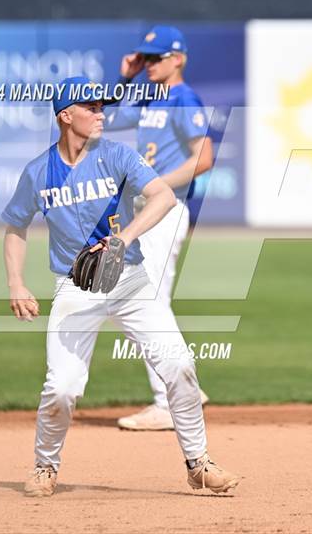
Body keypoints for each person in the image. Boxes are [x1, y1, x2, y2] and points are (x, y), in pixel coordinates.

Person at [2, 76, 240, 497]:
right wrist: (16, 283)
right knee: (62, 387)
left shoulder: (116, 155)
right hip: (76, 288)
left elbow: (163, 196)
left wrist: (124, 239)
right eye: (91, 107)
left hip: (131, 282)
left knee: (180, 366)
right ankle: (44, 466)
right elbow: (15, 226)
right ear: (65, 116)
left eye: (102, 106)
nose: (101, 114)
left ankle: (199, 463)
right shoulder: (38, 171)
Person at [105, 25, 215, 431]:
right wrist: (125, 78)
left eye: (156, 57)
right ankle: (182, 388)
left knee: (145, 300)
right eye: (145, 57)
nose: (149, 63)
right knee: (126, 299)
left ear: (178, 59)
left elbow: (203, 158)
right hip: (146, 211)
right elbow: (105, 118)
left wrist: (156, 186)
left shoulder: (184, 98)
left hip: (164, 211)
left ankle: (170, 402)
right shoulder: (150, 96)